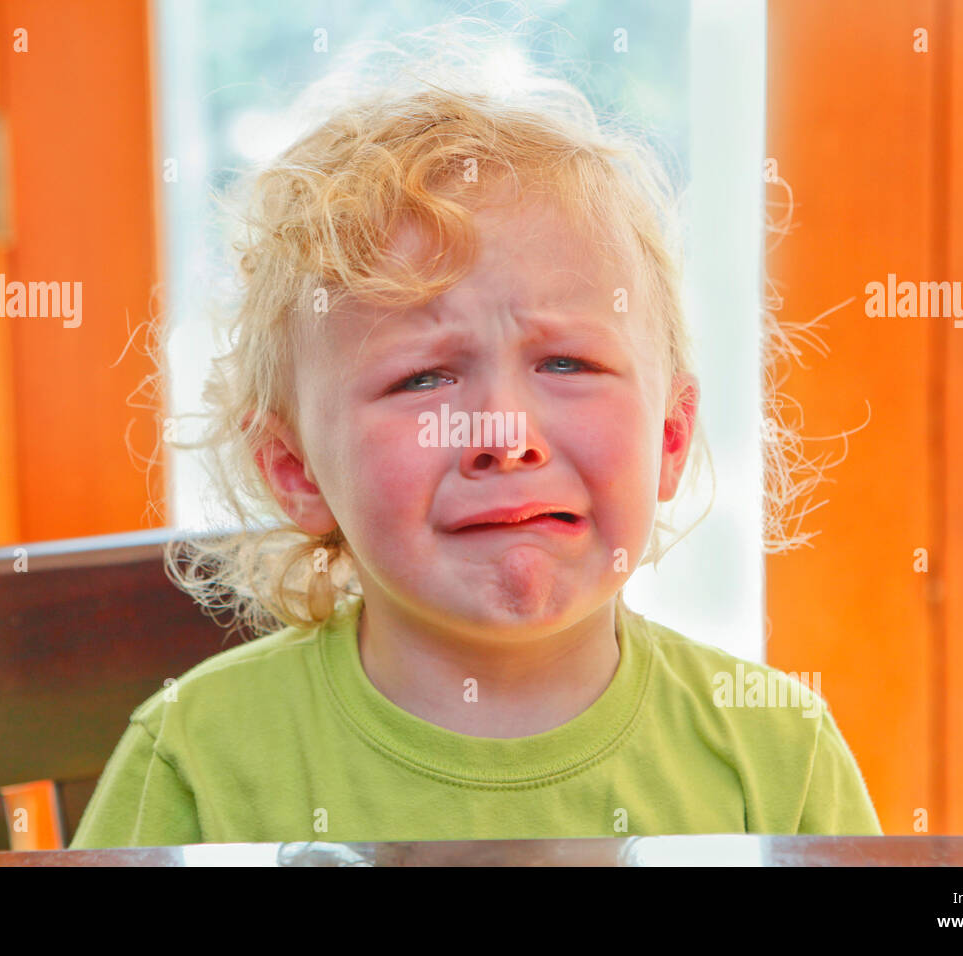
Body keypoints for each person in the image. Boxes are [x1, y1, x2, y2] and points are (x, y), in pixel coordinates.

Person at [70, 27, 881, 848]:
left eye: (567, 362)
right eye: (423, 379)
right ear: (296, 470)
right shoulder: (198, 755)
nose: (505, 434)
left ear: (670, 437)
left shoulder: (778, 753)